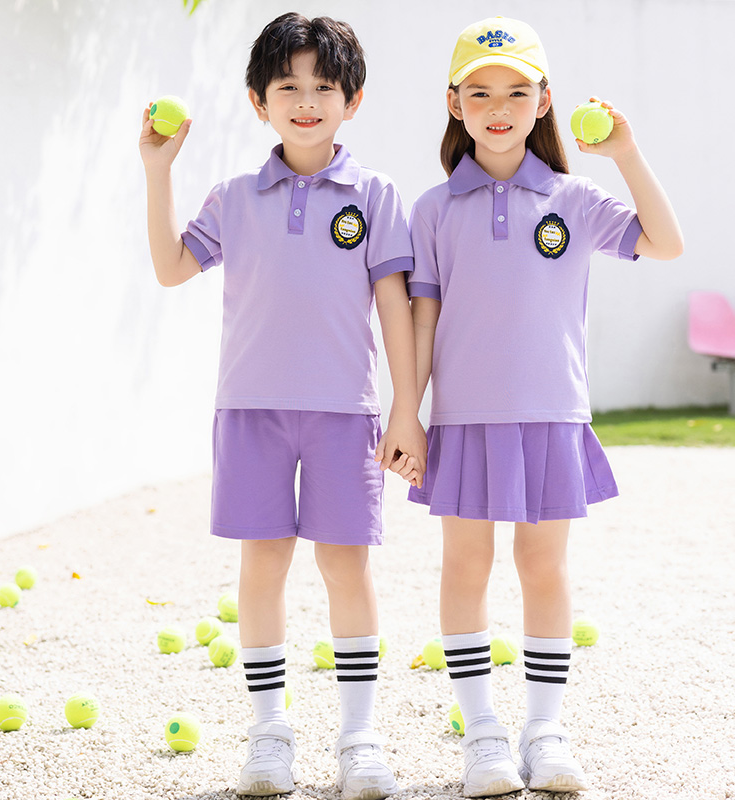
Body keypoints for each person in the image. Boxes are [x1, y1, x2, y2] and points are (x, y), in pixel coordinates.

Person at [139, 12, 426, 799]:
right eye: (288, 87)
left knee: (347, 568)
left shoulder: (375, 193)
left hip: (345, 414)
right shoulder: (233, 197)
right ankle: (268, 735)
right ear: (258, 101)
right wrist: (158, 169)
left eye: (323, 87)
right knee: (261, 566)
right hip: (251, 412)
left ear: (352, 101)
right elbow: (170, 269)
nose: (306, 101)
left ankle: (360, 738)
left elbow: (396, 307)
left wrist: (407, 410)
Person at [406, 15, 682, 796]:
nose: (500, 106)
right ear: (455, 103)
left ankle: (545, 727)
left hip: (554, 415)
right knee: (466, 564)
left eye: (518, 91)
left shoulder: (576, 196)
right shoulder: (432, 209)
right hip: (462, 421)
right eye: (482, 92)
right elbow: (423, 319)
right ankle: (482, 734)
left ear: (544, 101)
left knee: (543, 565)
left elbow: (664, 243)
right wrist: (409, 414)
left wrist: (626, 154)